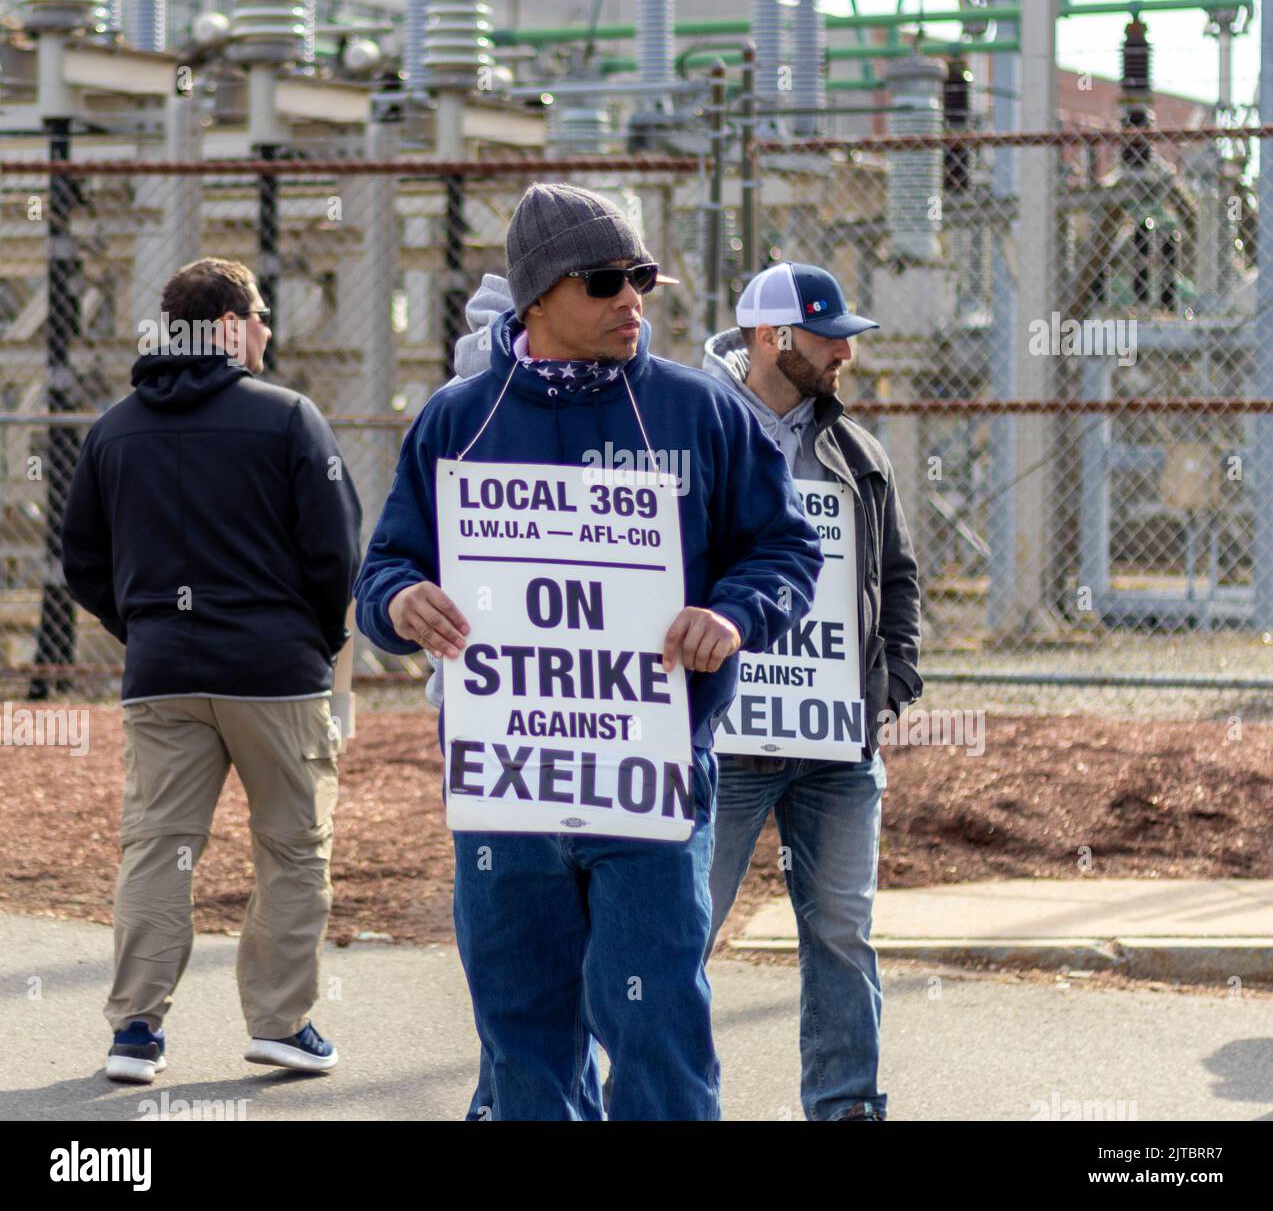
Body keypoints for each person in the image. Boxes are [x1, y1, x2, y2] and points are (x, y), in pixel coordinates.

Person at [354, 183, 822, 1120]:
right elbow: (385, 568)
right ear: (535, 297)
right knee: (522, 1034)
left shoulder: (700, 412)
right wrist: (401, 601)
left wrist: (732, 613)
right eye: (605, 281)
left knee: (654, 1026)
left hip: (647, 781)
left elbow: (785, 548)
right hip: (507, 788)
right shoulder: (457, 419)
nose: (632, 299)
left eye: (641, 277)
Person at [61, 258, 363, 1084]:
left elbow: (81, 559)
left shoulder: (114, 428)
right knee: (293, 848)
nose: (268, 329)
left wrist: (145, 623)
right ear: (230, 327)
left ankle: (135, 1033)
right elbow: (335, 552)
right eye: (259, 314)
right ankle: (279, 1022)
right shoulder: (289, 419)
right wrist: (314, 634)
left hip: (161, 670)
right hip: (274, 671)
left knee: (159, 848)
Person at [702, 261, 923, 1121]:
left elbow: (894, 577)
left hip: (834, 748)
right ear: (772, 338)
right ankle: (644, 1095)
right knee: (677, 931)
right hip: (720, 741)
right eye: (827, 336)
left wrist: (890, 681)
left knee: (840, 934)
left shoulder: (855, 453)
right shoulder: (692, 428)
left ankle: (845, 1106)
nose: (843, 353)